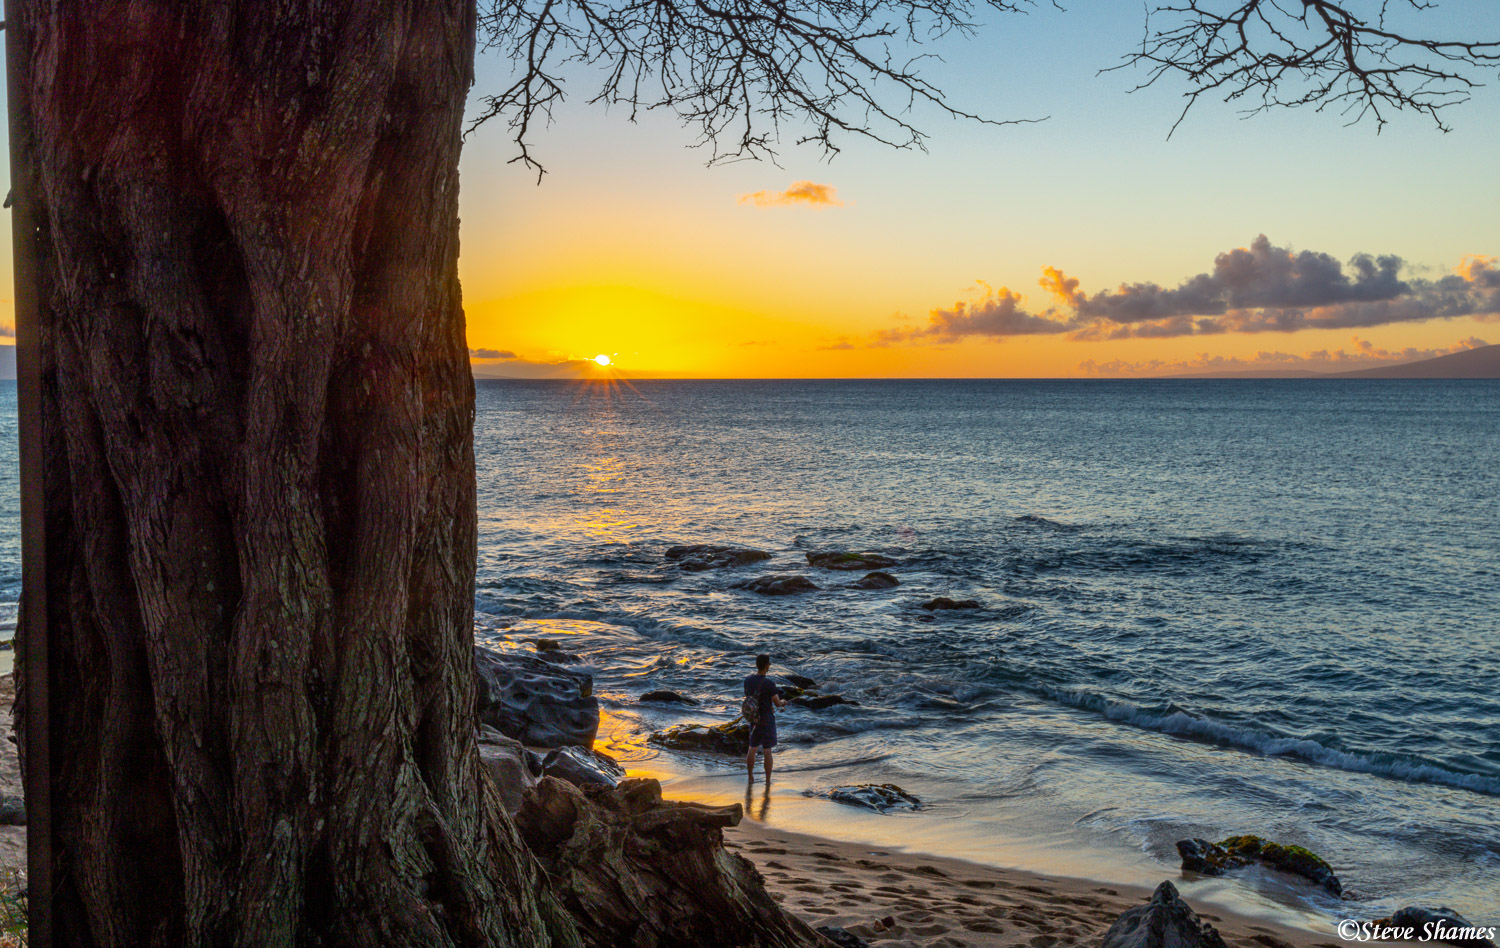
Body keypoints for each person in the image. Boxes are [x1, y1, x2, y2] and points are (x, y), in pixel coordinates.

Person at [744, 653, 786, 783]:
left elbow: (750, 697)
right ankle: (768, 780)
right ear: (767, 666)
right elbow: (777, 703)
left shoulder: (748, 680)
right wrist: (784, 702)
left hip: (754, 717)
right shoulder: (769, 684)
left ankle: (750, 777)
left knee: (752, 747)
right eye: (769, 664)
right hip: (766, 719)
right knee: (767, 750)